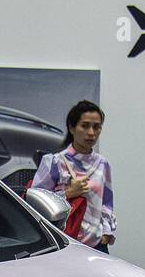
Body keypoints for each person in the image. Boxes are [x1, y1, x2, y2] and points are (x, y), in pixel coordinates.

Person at [29, 100, 115, 252]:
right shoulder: (55, 161)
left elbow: (106, 204)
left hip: (97, 245)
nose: (91, 133)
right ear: (72, 128)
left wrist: (106, 232)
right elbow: (35, 202)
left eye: (96, 127)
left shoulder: (103, 164)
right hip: (64, 242)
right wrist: (68, 193)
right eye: (85, 126)